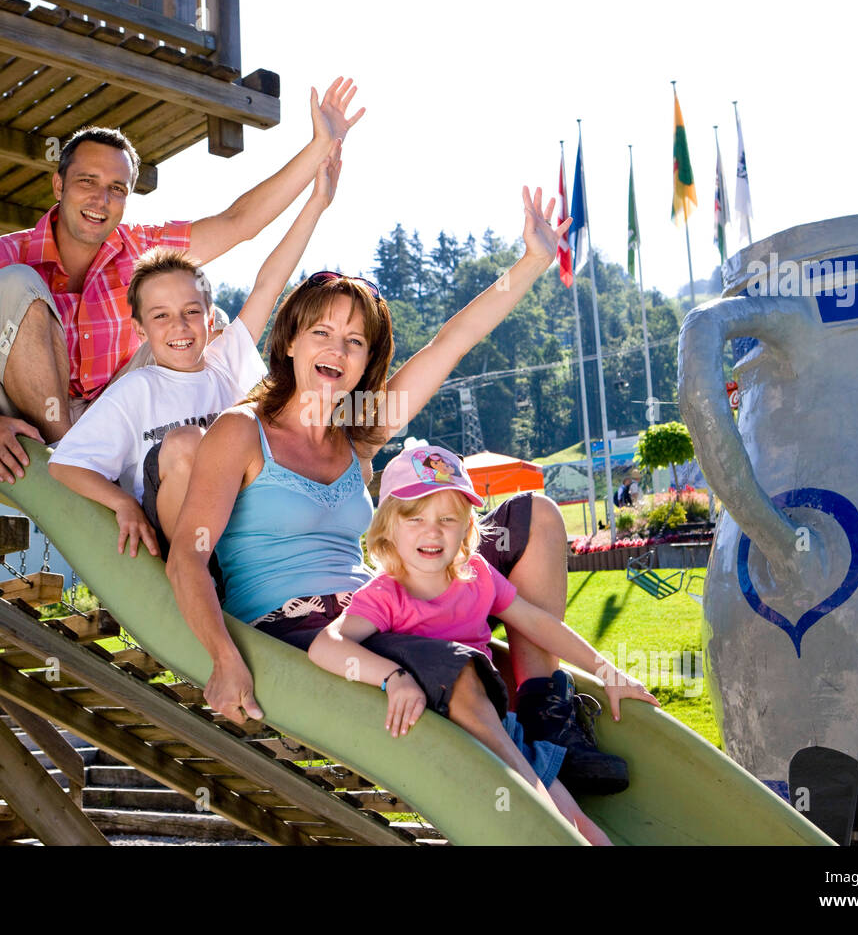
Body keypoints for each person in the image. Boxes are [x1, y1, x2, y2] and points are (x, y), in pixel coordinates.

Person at [165, 187, 649, 795]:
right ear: (289, 341)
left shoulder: (357, 435)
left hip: (382, 605)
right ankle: (536, 783)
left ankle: (542, 706)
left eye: (355, 340)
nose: (336, 349)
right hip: (300, 628)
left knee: (536, 518)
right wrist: (223, 657)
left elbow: (450, 344)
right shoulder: (242, 432)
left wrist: (531, 261)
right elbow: (189, 554)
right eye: (321, 331)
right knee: (453, 658)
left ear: (366, 361)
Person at [0, 78, 365, 484]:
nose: (100, 198)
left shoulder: (139, 248)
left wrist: (318, 149)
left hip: (106, 411)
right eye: (87, 181)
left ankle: (245, 465)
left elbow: (238, 222)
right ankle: (71, 456)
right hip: (8, 402)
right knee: (18, 283)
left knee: (206, 320)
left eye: (117, 188)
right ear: (58, 186)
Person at [309, 443, 658, 843]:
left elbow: (536, 622)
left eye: (447, 518)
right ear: (388, 528)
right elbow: (327, 644)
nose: (432, 531)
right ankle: (537, 809)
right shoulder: (385, 594)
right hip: (442, 739)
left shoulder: (476, 575)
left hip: (502, 728)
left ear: (466, 527)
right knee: (539, 815)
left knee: (579, 823)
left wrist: (605, 670)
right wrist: (393, 676)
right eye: (415, 518)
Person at [46, 145, 343, 558]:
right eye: (161, 316)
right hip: (175, 532)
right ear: (141, 329)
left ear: (209, 319)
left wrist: (316, 203)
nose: (180, 327)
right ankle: (194, 571)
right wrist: (122, 503)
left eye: (191, 312)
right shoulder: (136, 390)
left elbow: (269, 284)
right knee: (188, 441)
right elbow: (64, 465)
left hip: (238, 525)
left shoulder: (224, 364)